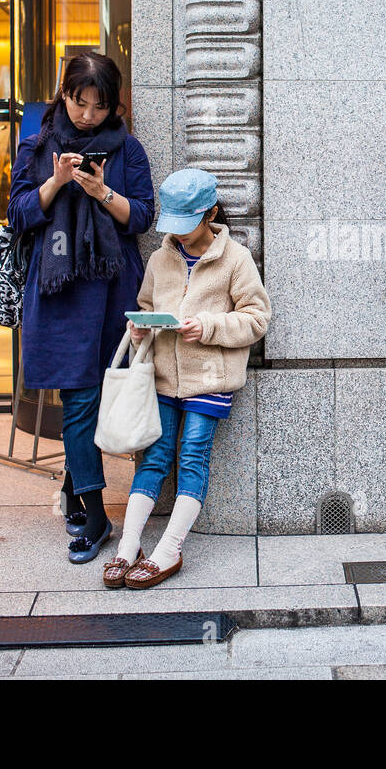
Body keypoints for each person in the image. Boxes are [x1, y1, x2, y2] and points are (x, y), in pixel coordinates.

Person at [6, 52, 155, 562]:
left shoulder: (127, 150)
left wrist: (100, 191)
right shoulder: (38, 145)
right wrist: (57, 183)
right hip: (60, 291)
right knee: (78, 399)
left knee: (102, 397)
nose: (88, 114)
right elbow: (19, 214)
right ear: (63, 95)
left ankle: (75, 484)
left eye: (100, 105)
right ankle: (96, 516)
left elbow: (140, 217)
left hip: (114, 291)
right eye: (79, 102)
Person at [101, 168, 270, 589]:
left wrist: (208, 327)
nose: (179, 235)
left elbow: (257, 318)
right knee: (153, 459)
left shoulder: (236, 259)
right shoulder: (160, 258)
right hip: (160, 378)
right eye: (173, 225)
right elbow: (144, 304)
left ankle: (169, 549)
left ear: (210, 213)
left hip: (210, 379)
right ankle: (128, 547)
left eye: (187, 224)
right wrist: (139, 328)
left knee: (192, 456)